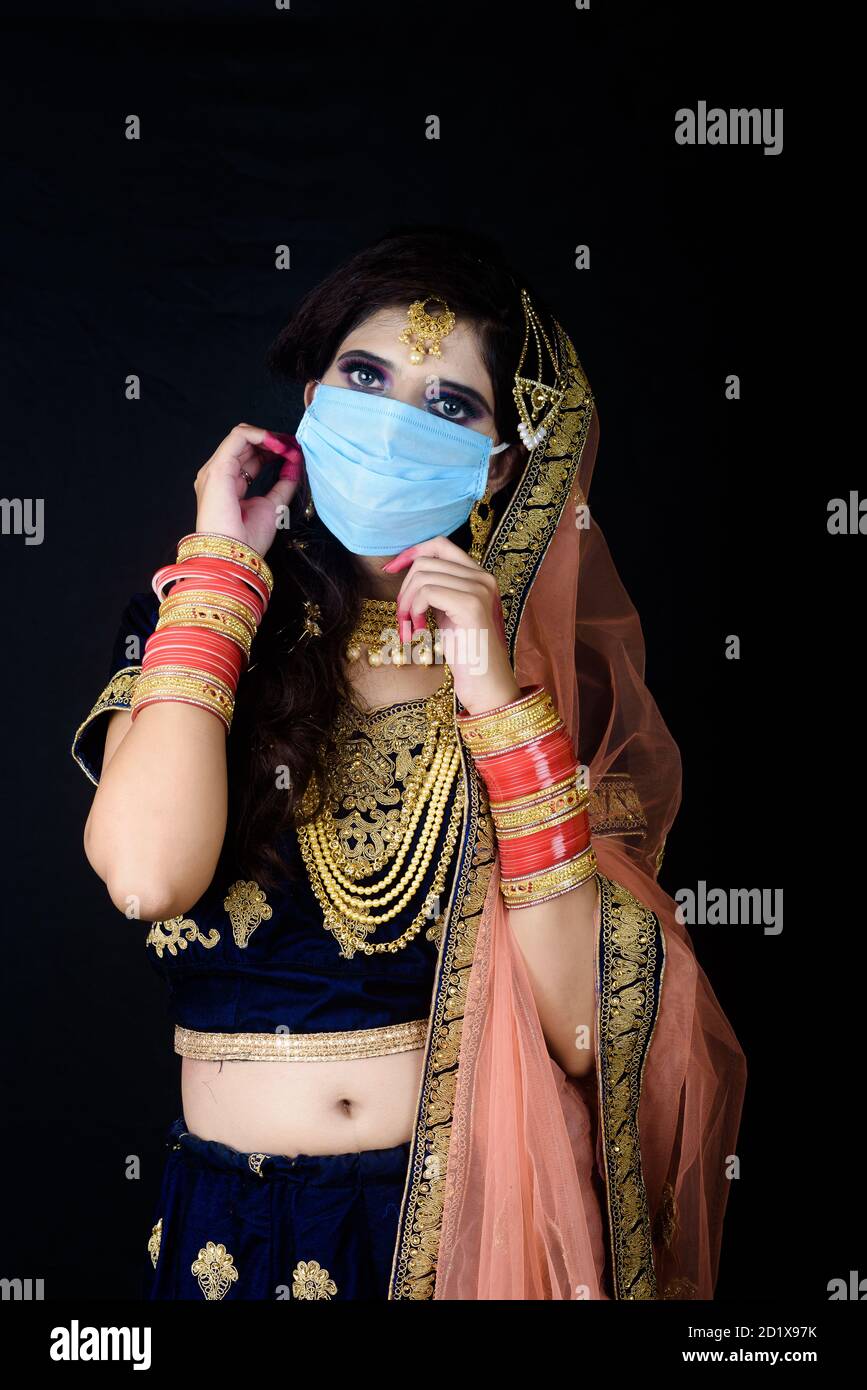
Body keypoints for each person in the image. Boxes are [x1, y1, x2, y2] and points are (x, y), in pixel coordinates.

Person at [71, 227, 747, 1301]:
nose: (390, 424)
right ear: (311, 395)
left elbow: (581, 1031)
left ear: (502, 462)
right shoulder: (197, 625)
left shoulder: (531, 677)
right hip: (228, 1229)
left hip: (458, 1232)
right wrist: (221, 572)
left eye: (449, 406)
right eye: (366, 376)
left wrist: (492, 695)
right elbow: (149, 874)